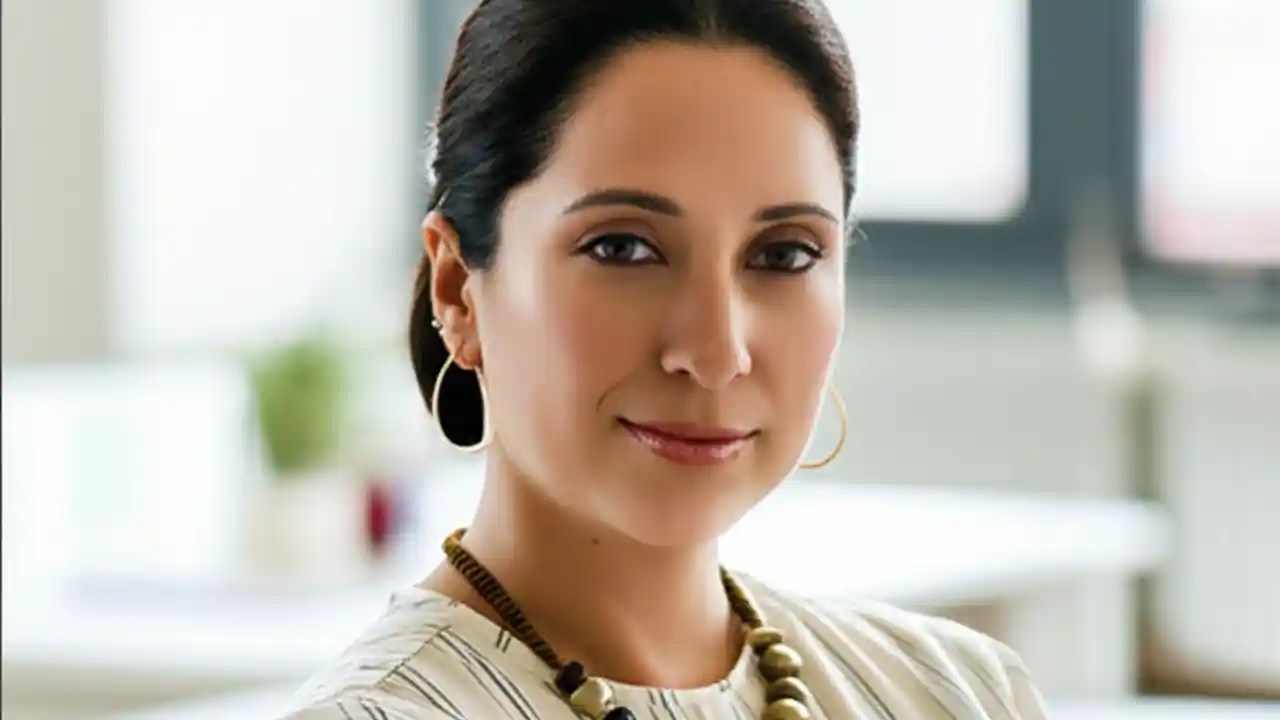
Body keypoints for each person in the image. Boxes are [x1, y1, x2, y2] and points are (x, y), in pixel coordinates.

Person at [287, 1, 1048, 717]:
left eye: (783, 254)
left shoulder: (957, 694)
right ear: (457, 290)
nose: (717, 352)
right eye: (623, 248)